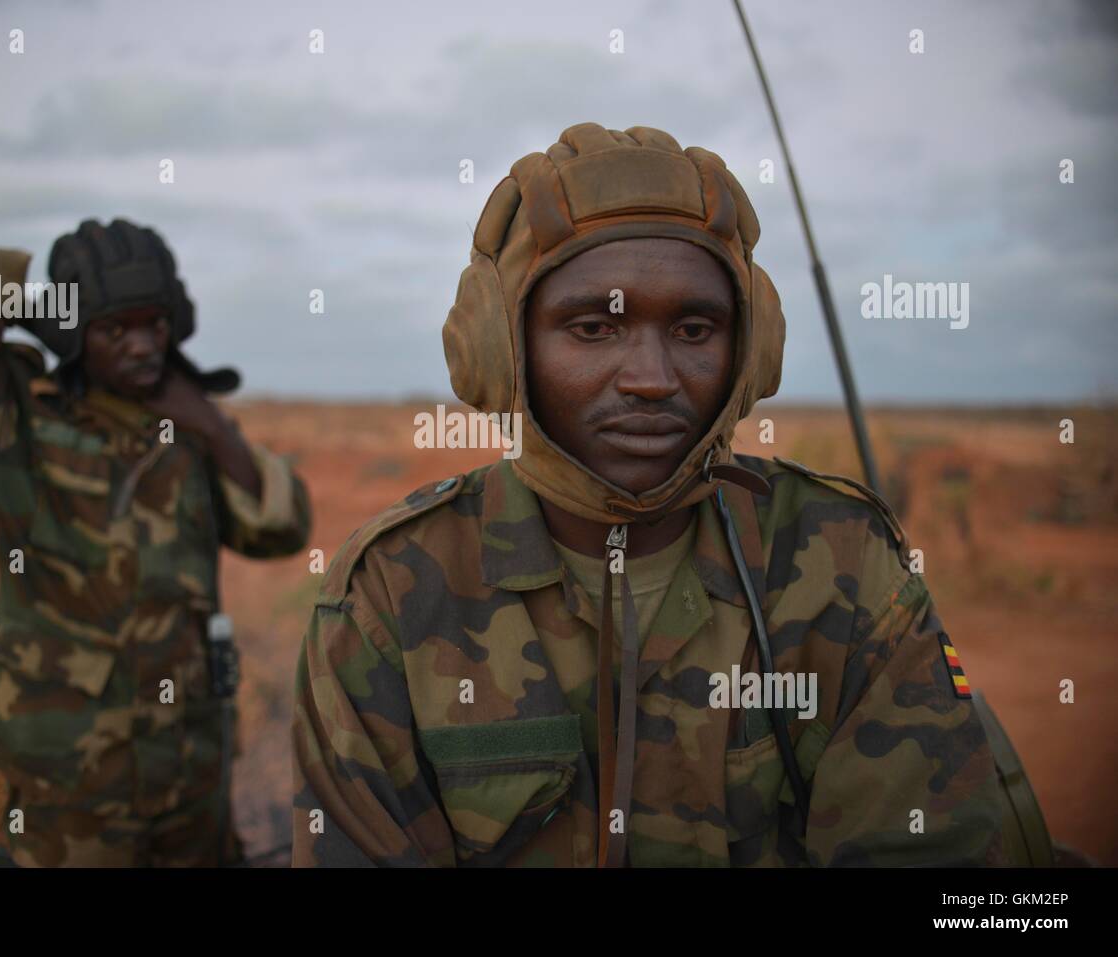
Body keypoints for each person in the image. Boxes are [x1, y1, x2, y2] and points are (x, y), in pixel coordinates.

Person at [291, 123, 1006, 867]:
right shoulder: (392, 591)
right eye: (594, 327)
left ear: (748, 353)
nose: (652, 378)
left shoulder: (843, 564)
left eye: (696, 328)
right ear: (500, 351)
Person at [0, 218, 311, 866]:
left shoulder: (180, 429)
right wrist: (41, 305)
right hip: (73, 772)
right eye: (115, 328)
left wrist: (210, 422)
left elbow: (282, 529)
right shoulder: (16, 413)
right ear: (73, 331)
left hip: (190, 761)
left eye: (154, 324)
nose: (143, 345)